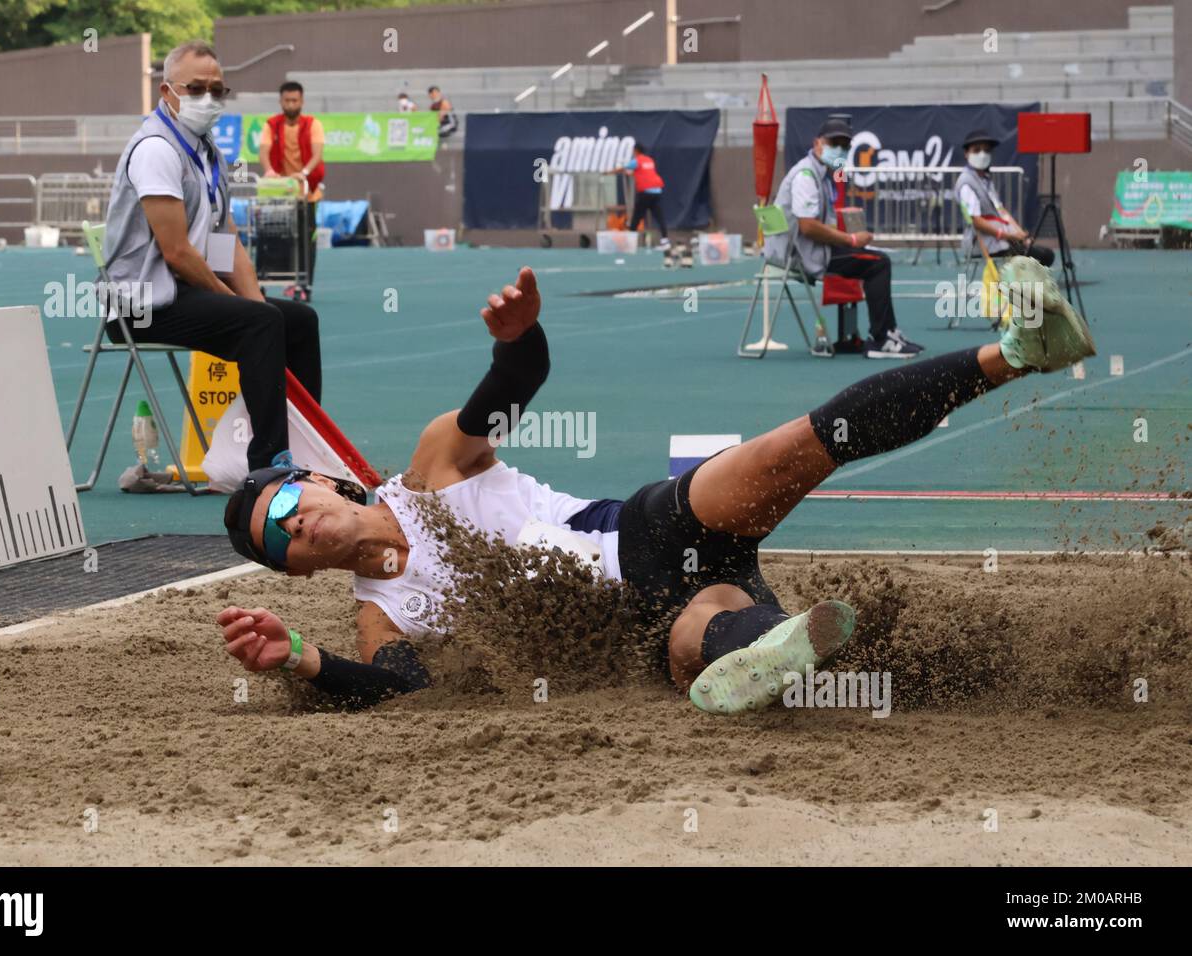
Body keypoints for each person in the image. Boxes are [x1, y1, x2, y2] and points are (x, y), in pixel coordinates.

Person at [216, 258, 1096, 716]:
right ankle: (783, 648)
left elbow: (511, 391)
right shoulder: (382, 613)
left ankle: (1016, 352)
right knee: (701, 642)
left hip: (642, 533)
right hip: (631, 621)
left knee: (799, 444)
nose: (298, 529)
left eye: (289, 505)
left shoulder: (434, 467)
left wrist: (518, 339)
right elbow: (398, 689)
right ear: (296, 576)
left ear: (322, 478)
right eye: (279, 544)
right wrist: (301, 657)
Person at [101, 40, 322, 472]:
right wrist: (241, 304)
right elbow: (177, 251)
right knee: (258, 322)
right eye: (196, 88)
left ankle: (309, 446)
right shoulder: (156, 150)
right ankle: (269, 466)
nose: (208, 98)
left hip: (181, 290)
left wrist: (252, 296)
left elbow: (228, 238)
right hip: (143, 303)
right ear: (167, 92)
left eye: (217, 89)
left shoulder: (207, 152)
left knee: (297, 319)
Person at [766, 117, 923, 359]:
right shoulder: (806, 176)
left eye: (844, 146)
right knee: (878, 264)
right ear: (817, 143)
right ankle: (881, 339)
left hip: (813, 250)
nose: (838, 150)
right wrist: (850, 240)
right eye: (833, 143)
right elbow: (807, 227)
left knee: (874, 258)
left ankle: (889, 333)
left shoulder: (824, 174)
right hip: (804, 255)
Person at [258, 79, 325, 296]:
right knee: (271, 238)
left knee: (306, 241)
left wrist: (303, 174)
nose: (290, 104)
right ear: (280, 101)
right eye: (286, 100)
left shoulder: (313, 124)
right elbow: (264, 152)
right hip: (279, 192)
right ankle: (265, 282)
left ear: (302, 101)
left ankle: (304, 285)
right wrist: (269, 171)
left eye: (294, 100)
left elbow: (317, 155)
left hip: (307, 192)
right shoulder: (271, 125)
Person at [957, 129, 1055, 268]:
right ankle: (1020, 288)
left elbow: (1001, 211)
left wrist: (1021, 235)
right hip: (981, 245)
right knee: (1043, 257)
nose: (982, 154)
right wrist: (1008, 236)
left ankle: (1019, 287)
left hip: (1000, 242)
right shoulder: (966, 183)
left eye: (986, 150)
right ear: (966, 154)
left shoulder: (986, 180)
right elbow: (977, 222)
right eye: (976, 150)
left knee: (1045, 254)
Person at [607, 142, 669, 248]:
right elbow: (639, 172)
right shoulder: (650, 160)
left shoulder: (637, 160)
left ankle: (629, 243)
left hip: (645, 193)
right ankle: (665, 242)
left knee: (636, 217)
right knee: (660, 217)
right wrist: (630, 173)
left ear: (636, 151)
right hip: (657, 192)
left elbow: (623, 168)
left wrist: (608, 173)